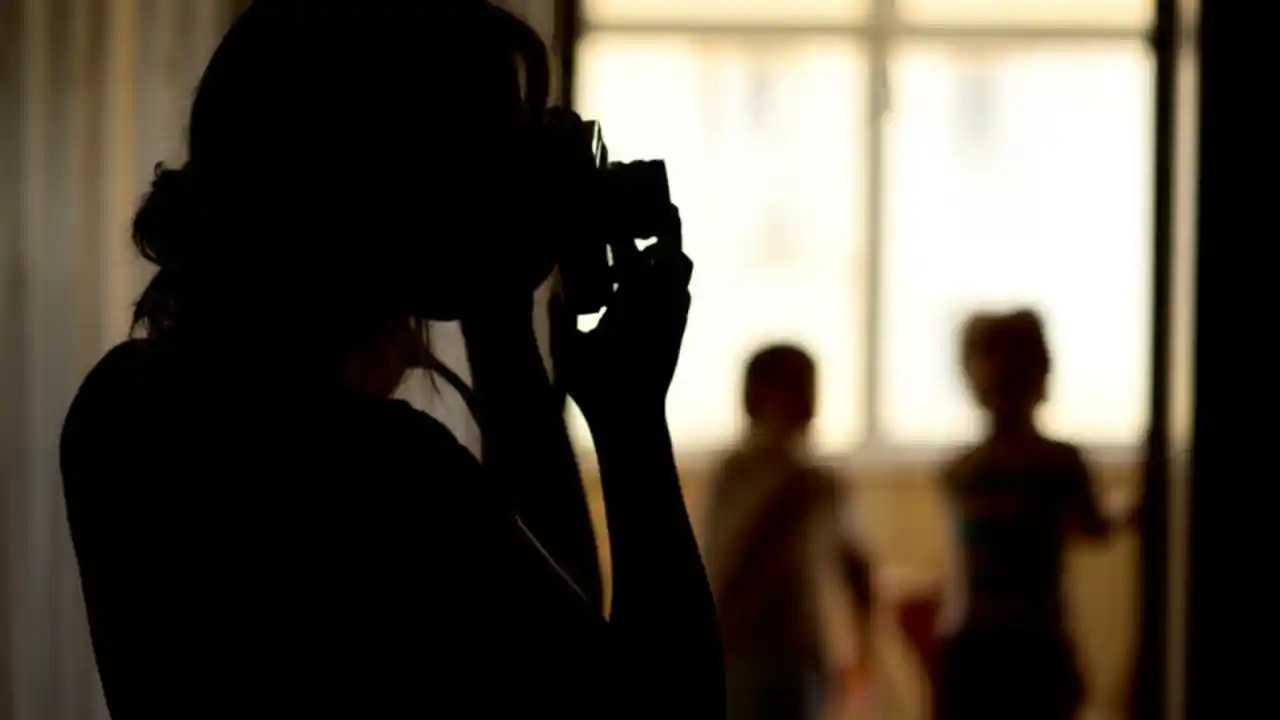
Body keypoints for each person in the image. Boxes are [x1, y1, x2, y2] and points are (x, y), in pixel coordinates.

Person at [58, 1, 722, 717]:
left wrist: (499, 321)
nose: (523, 173)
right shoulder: (384, 472)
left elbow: (559, 615)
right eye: (497, 140)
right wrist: (628, 423)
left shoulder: (126, 403)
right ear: (394, 178)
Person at [935, 310, 1122, 720]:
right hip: (1032, 643)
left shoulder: (962, 469)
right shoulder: (1057, 463)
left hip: (979, 646)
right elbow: (1092, 527)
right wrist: (1131, 511)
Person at [704, 345, 858, 720]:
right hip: (748, 648)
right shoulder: (743, 472)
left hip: (797, 648)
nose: (805, 398)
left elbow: (851, 566)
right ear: (755, 396)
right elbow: (727, 562)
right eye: (791, 385)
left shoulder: (818, 480)